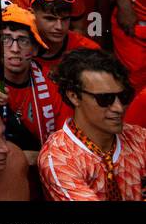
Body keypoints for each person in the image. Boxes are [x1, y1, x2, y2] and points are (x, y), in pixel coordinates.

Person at [0, 5, 68, 160]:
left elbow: (66, 146)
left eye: (23, 40)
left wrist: (36, 157)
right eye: (6, 39)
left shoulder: (52, 82)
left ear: (35, 48)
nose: (15, 48)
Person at [40, 49, 146, 200]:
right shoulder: (59, 158)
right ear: (74, 96)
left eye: (123, 96)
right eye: (105, 99)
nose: (118, 108)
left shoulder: (140, 138)